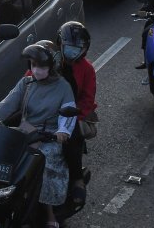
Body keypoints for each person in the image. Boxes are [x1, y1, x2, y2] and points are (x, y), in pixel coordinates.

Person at [0, 42, 77, 226]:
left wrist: (63, 131)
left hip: (48, 137)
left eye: (41, 66)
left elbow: (68, 113)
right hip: (24, 133)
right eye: (33, 65)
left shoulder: (64, 87)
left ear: (52, 66)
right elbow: (8, 103)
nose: (36, 69)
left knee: (45, 164)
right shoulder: (27, 82)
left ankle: (49, 215)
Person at [58, 21, 97, 209]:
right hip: (43, 112)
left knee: (71, 142)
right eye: (69, 47)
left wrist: (74, 116)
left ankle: (77, 180)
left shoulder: (87, 69)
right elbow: (29, 81)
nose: (72, 52)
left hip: (71, 114)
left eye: (77, 48)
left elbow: (88, 100)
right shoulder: (49, 60)